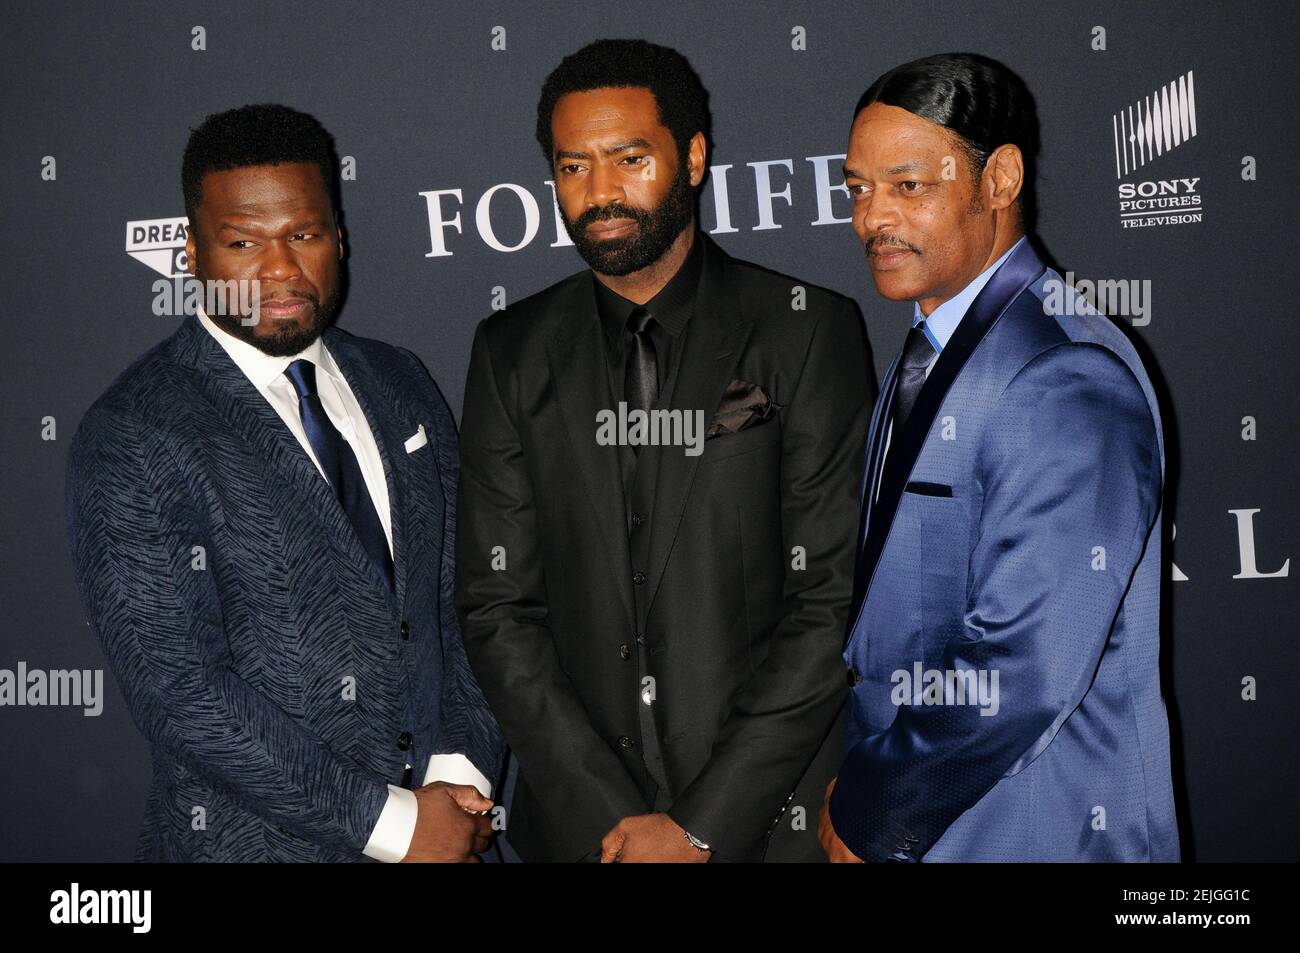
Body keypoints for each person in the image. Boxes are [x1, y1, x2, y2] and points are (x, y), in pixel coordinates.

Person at [456, 39, 873, 862]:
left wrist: (700, 824)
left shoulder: (803, 328)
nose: (600, 192)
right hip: (586, 837)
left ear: (692, 156)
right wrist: (617, 825)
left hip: (769, 823)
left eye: (629, 158)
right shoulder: (512, 349)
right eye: (573, 167)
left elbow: (833, 601)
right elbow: (498, 607)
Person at [66, 104, 502, 862]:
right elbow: (183, 693)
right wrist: (396, 826)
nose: (279, 270)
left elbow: (464, 590)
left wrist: (459, 771)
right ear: (193, 253)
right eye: (242, 242)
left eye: (302, 234)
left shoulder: (398, 380)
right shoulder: (133, 433)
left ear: (339, 235)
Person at [819, 53, 1180, 862]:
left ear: (1000, 179)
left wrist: (876, 808)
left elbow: (1022, 672)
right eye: (857, 188)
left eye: (908, 186)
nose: (872, 218)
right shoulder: (933, 345)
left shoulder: (1063, 373)